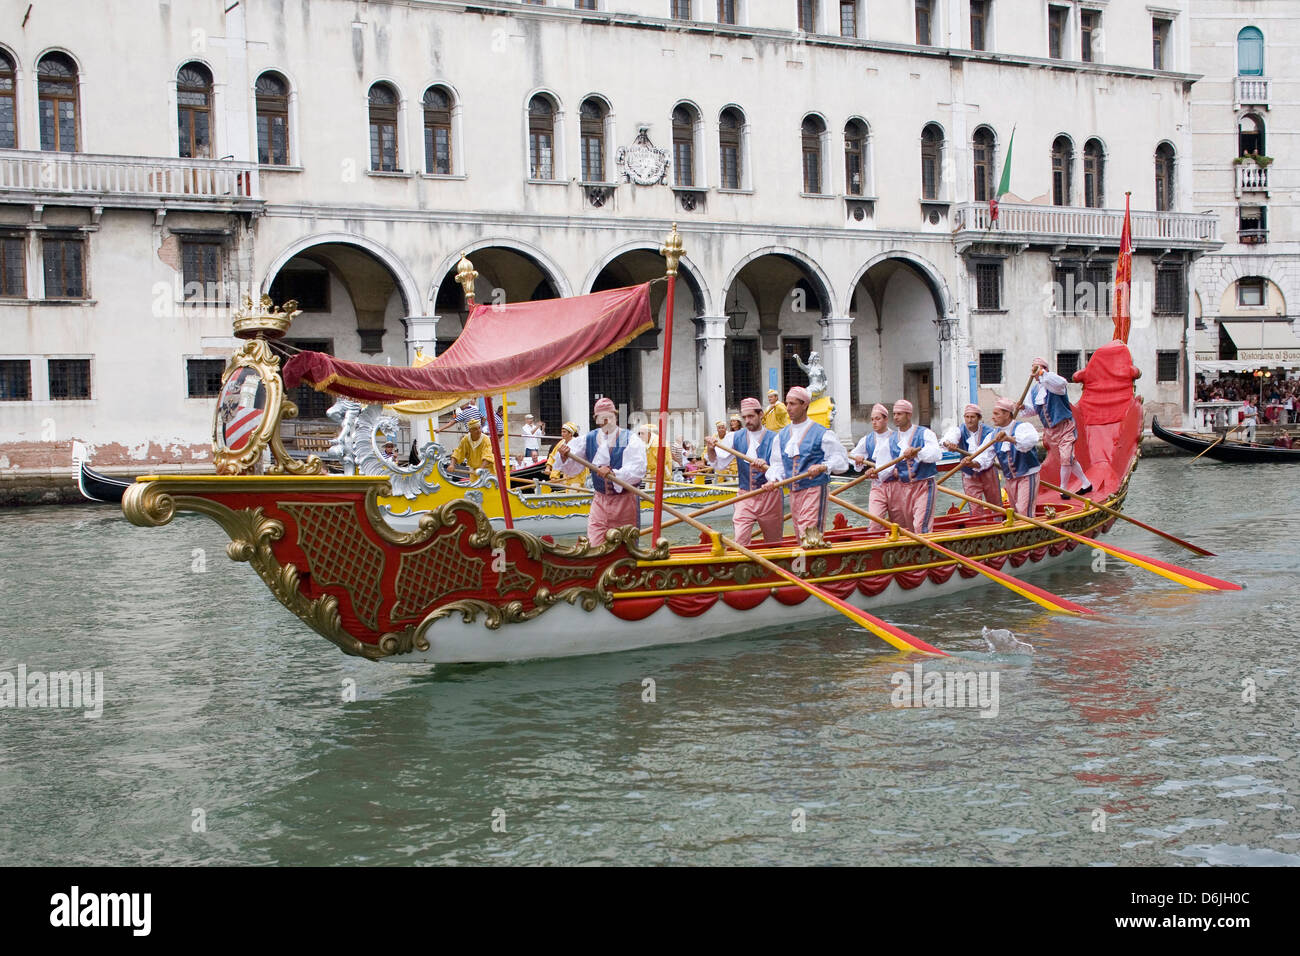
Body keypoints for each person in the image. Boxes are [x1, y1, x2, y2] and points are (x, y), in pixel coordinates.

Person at [765, 385, 849, 545]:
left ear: (805, 405)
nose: (788, 408)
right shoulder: (781, 436)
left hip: (814, 490)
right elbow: (777, 464)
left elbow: (842, 461)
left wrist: (823, 466)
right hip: (794, 492)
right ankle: (803, 567)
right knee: (800, 536)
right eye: (787, 403)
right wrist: (773, 479)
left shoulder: (822, 433)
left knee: (810, 536)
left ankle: (814, 566)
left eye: (793, 404)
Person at [557, 397, 647, 545]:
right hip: (599, 501)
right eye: (602, 418)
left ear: (615, 417)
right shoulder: (589, 438)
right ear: (596, 419)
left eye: (609, 417)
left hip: (624, 503)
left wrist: (614, 474)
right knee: (594, 544)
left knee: (625, 548)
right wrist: (564, 456)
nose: (606, 421)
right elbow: (572, 468)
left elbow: (638, 469)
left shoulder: (630, 439)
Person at [707, 396, 784, 545]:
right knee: (740, 540)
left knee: (773, 543)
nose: (747, 420)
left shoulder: (776, 438)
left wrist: (767, 466)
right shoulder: (734, 437)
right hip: (745, 495)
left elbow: (781, 467)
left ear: (760, 414)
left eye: (751, 416)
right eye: (744, 417)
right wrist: (711, 449)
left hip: (770, 496)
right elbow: (718, 464)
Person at [1021, 358, 1091, 496]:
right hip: (1050, 431)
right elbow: (1032, 410)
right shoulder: (1034, 390)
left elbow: (1061, 382)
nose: (1034, 372)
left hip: (1065, 426)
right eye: (1033, 369)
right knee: (1067, 459)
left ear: (1045, 369)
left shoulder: (1054, 384)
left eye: (1037, 368)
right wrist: (1023, 407)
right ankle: (1086, 483)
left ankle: (1063, 489)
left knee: (1066, 458)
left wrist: (1042, 373)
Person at [875, 399, 943, 533]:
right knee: (906, 528)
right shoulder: (891, 439)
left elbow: (936, 454)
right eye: (894, 414)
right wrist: (875, 473)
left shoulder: (924, 433)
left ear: (909, 415)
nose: (895, 417)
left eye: (899, 414)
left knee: (920, 526)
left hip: (924, 485)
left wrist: (918, 453)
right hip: (903, 488)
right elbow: (883, 467)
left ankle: (926, 552)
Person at [941, 403, 1000, 519]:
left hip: (988, 471)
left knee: (995, 504)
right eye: (967, 417)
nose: (969, 420)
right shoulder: (959, 430)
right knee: (975, 506)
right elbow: (948, 438)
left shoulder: (989, 432)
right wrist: (948, 444)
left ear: (979, 418)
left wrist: (975, 463)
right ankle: (979, 528)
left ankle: (999, 525)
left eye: (972, 417)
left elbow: (987, 455)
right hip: (969, 473)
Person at [990, 397, 1041, 515]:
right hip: (1010, 479)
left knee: (1024, 512)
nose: (993, 417)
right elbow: (984, 456)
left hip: (1027, 476)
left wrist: (1009, 439)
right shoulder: (993, 434)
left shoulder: (1023, 427)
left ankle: (1028, 530)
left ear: (1007, 414)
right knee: (1015, 512)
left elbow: (1030, 442)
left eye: (996, 414)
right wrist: (972, 462)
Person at [849, 403, 896, 522]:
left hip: (897, 485)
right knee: (875, 521)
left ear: (886, 419)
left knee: (899, 522)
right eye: (872, 419)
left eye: (878, 419)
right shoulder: (867, 440)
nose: (874, 422)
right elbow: (851, 456)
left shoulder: (896, 438)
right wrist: (858, 458)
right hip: (877, 486)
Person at [450, 410, 495, 476]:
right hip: (473, 471)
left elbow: (488, 456)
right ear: (470, 431)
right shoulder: (465, 439)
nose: (479, 431)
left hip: (487, 471)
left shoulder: (486, 439)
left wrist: (481, 469)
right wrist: (452, 465)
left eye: (479, 428)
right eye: (475, 429)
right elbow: (458, 452)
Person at [546, 422, 587, 487]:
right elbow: (554, 458)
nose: (562, 434)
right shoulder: (561, 443)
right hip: (567, 477)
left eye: (564, 432)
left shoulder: (577, 444)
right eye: (562, 432)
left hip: (579, 476)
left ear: (570, 433)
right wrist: (549, 469)